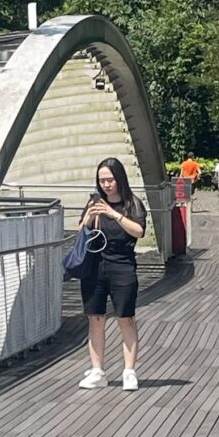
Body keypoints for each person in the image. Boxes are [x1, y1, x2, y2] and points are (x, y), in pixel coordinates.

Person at [78, 156, 146, 390]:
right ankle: (97, 370)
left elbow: (139, 231)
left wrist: (113, 213)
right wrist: (89, 216)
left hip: (122, 265)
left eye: (110, 180)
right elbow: (82, 233)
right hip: (95, 266)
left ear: (120, 179)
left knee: (125, 318)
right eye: (102, 180)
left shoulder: (132, 204)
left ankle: (129, 371)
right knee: (95, 318)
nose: (106, 185)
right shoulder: (94, 203)